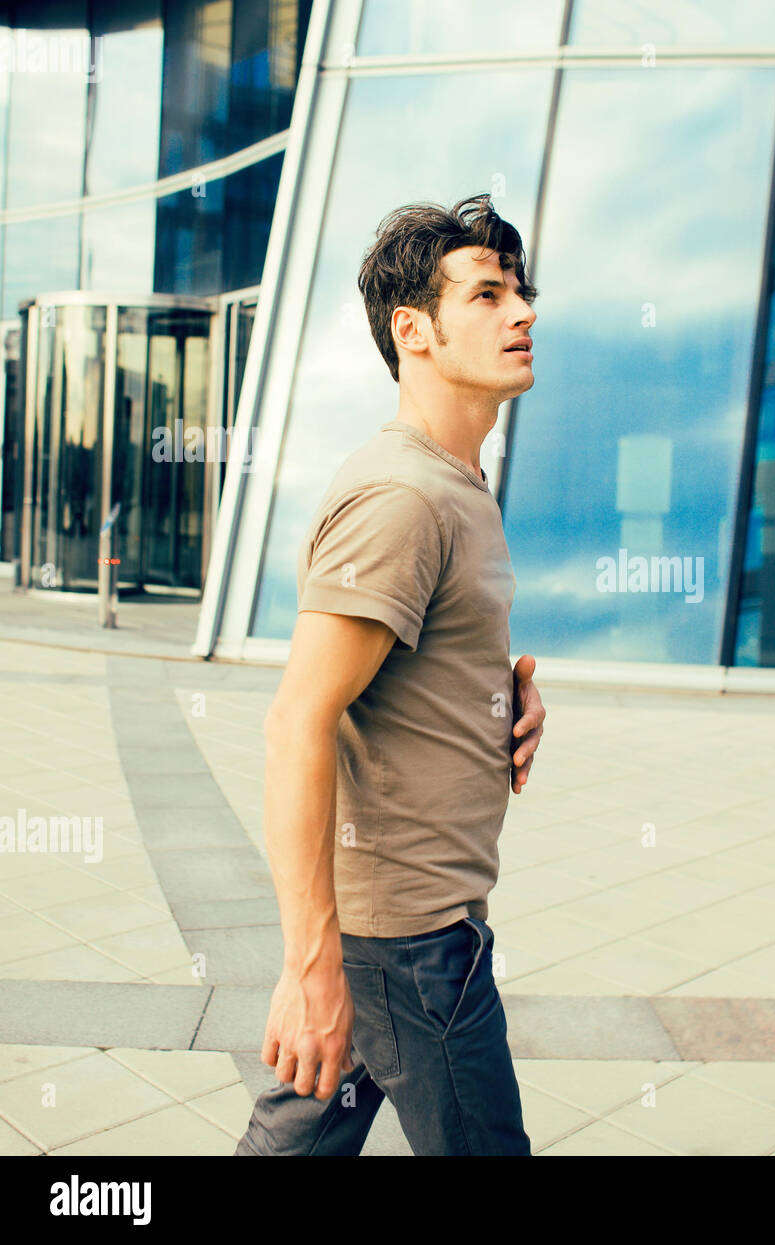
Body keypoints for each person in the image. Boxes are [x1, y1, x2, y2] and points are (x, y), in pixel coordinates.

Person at [235, 194, 544, 1156]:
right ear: (413, 329)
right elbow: (299, 720)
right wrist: (311, 966)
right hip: (410, 947)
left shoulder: (457, 481)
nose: (523, 311)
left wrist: (500, 696)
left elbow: (404, 672)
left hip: (405, 931)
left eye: (521, 290)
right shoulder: (402, 496)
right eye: (487, 294)